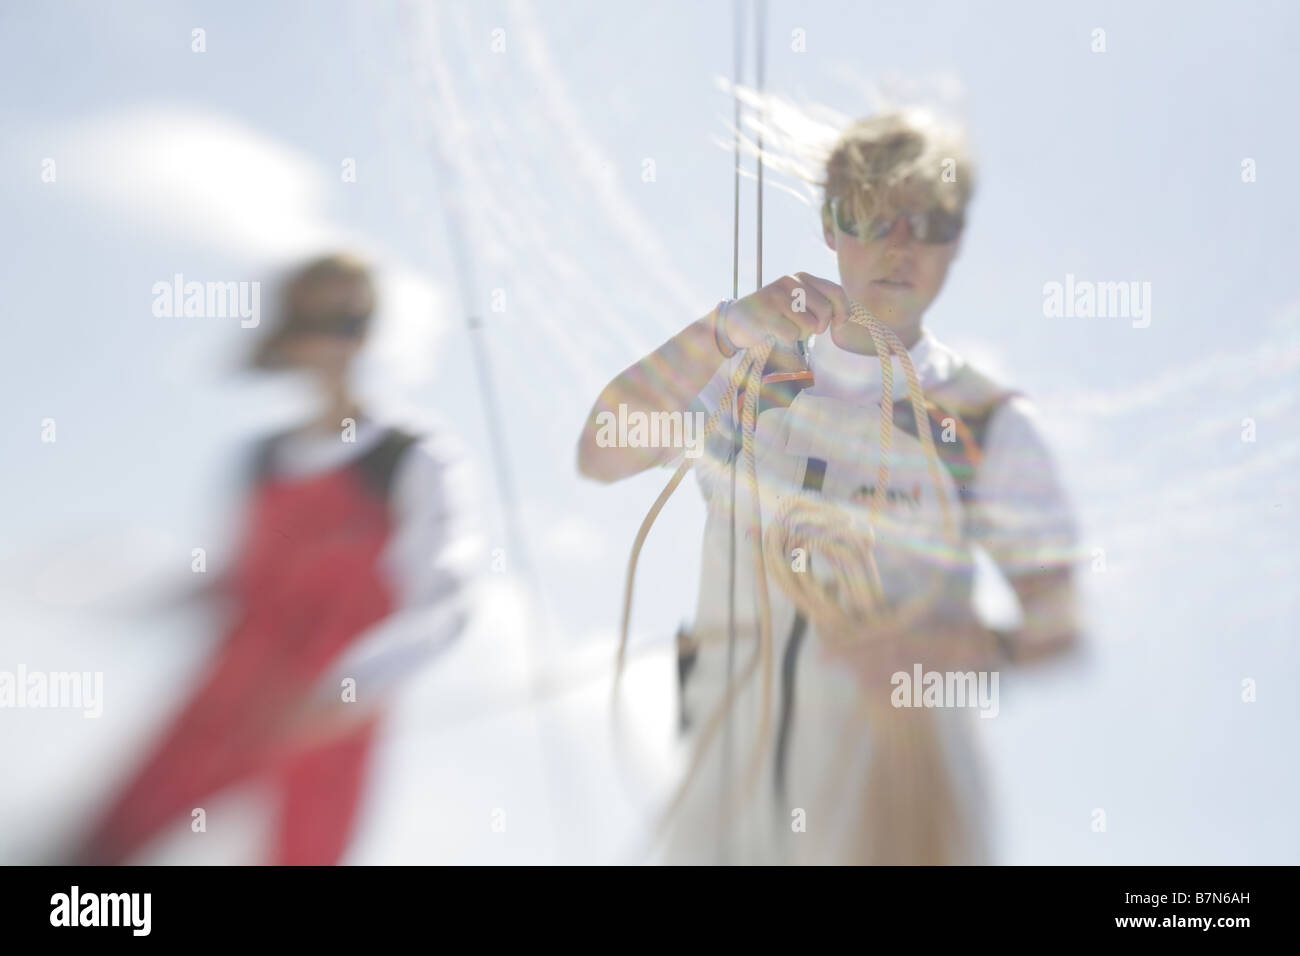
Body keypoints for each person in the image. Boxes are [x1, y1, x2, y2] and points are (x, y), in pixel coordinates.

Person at [577, 110, 1082, 864]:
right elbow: (601, 454)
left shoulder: (987, 422)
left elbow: (1058, 624)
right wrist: (721, 330)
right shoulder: (743, 374)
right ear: (830, 226)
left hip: (896, 820)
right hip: (722, 814)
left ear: (956, 243)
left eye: (929, 222)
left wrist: (935, 655)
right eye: (874, 215)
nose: (900, 245)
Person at [77, 253, 480, 865]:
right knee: (96, 852)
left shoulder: (411, 459)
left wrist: (354, 688)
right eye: (319, 319)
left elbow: (445, 602)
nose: (339, 338)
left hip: (326, 717)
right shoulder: (259, 461)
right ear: (288, 337)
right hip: (222, 697)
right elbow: (232, 581)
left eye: (352, 319)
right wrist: (122, 589)